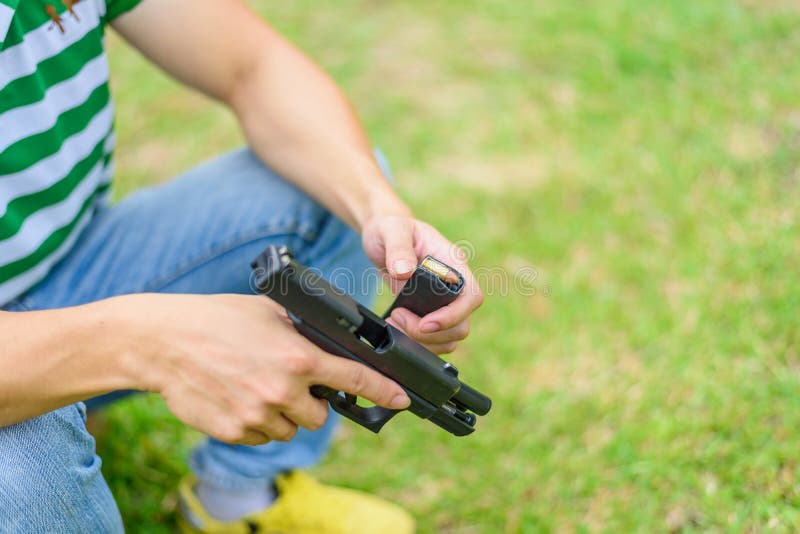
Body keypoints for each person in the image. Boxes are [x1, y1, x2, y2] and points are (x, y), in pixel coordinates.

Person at [0, 0, 483, 532]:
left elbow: (253, 66)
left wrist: (378, 208)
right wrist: (144, 343)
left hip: (59, 270)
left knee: (328, 184)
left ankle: (236, 501)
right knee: (33, 474)